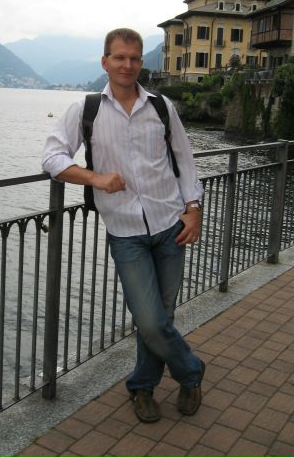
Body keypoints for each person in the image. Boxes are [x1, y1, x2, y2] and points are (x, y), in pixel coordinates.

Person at [42, 28, 205, 423]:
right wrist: (95, 178)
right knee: (150, 321)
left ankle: (143, 388)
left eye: (134, 58)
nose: (127, 65)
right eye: (119, 57)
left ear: (141, 63)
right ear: (105, 62)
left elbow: (184, 162)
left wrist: (194, 209)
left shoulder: (162, 107)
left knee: (160, 320)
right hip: (126, 232)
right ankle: (190, 372)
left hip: (170, 224)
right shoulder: (86, 109)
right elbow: (52, 157)